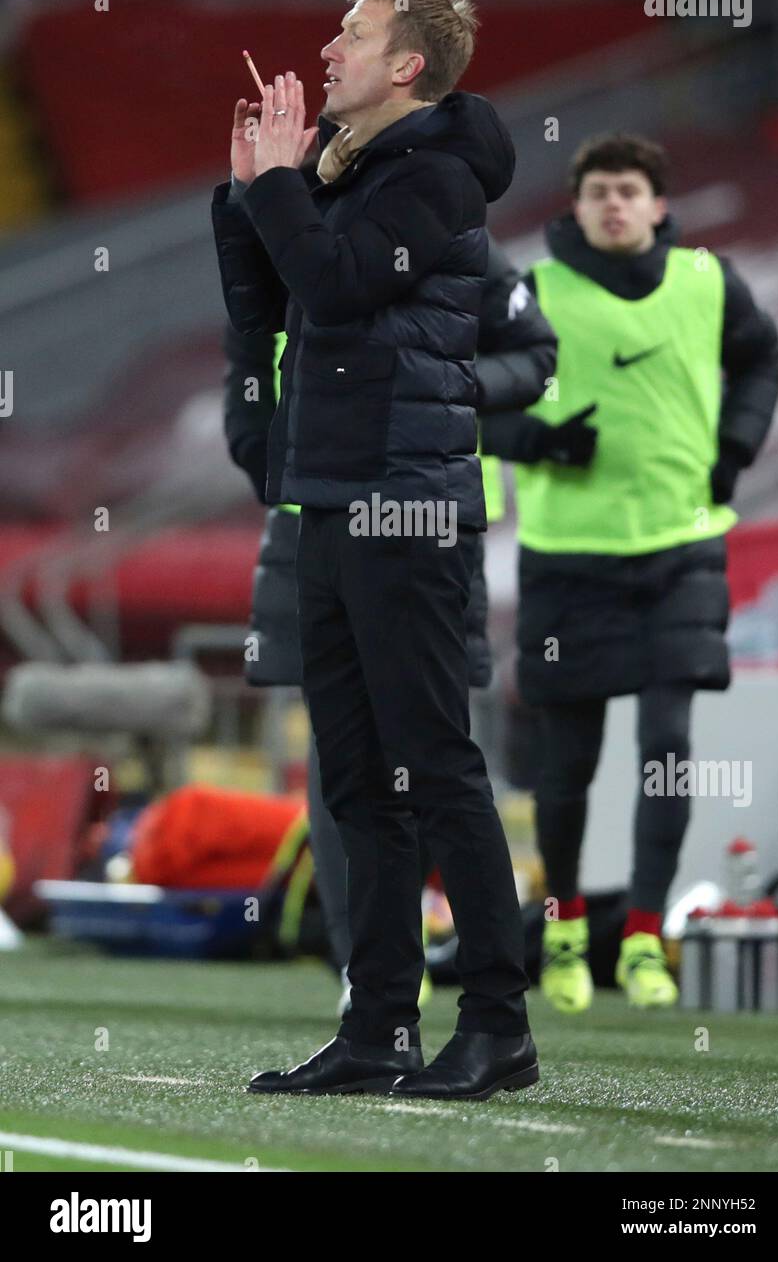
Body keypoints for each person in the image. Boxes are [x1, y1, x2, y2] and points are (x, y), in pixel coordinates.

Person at [211, 0, 540, 1099]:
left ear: (407, 65)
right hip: (333, 497)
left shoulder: (438, 174)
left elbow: (342, 286)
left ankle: (496, 1022)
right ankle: (378, 1026)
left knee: (437, 765)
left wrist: (285, 191)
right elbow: (267, 303)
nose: (326, 45)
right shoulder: (347, 175)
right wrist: (253, 186)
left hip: (405, 503)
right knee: (358, 778)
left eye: (351, 32)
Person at [217, 214, 557, 1007]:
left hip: (427, 526)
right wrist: (271, 457)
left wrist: (446, 389)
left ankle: (483, 990)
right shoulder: (282, 232)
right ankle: (368, 973)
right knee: (342, 761)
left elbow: (534, 360)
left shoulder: (445, 221)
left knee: (439, 750)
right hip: (312, 529)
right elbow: (246, 367)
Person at [482, 132, 778, 1012]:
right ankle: (568, 931)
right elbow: (462, 398)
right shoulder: (533, 293)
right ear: (576, 206)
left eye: (629, 191)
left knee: (669, 750)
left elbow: (760, 362)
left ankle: (646, 939)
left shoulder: (708, 283)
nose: (614, 205)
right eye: (599, 192)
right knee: (569, 762)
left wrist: (735, 448)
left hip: (681, 549)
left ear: (658, 205)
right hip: (569, 559)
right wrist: (537, 438)